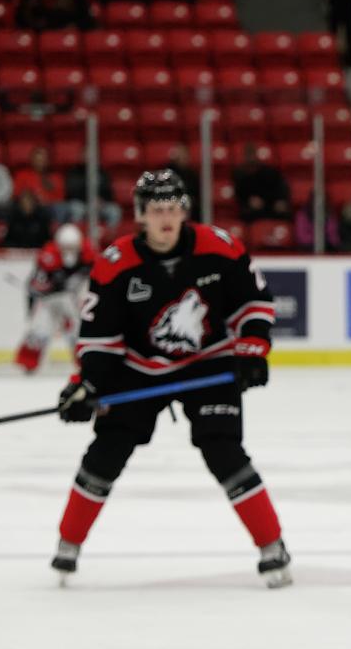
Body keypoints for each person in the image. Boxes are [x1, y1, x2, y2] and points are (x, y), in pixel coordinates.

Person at [51, 170, 293, 587]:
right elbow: (99, 338)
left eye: (173, 208)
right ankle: (67, 546)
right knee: (106, 451)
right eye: (157, 210)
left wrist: (253, 347)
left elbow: (254, 301)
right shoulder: (116, 264)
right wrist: (87, 384)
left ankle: (273, 546)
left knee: (224, 450)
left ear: (184, 211)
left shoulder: (219, 247)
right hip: (139, 369)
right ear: (141, 215)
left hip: (210, 364)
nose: (166, 218)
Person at [14, 223, 96, 373]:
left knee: (78, 331)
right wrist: (49, 285)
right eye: (65, 247)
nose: (69, 251)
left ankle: (85, 364)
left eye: (72, 247)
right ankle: (27, 363)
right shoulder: (48, 256)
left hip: (71, 300)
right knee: (40, 329)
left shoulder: (88, 255)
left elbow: (96, 278)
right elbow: (34, 286)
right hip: (49, 301)